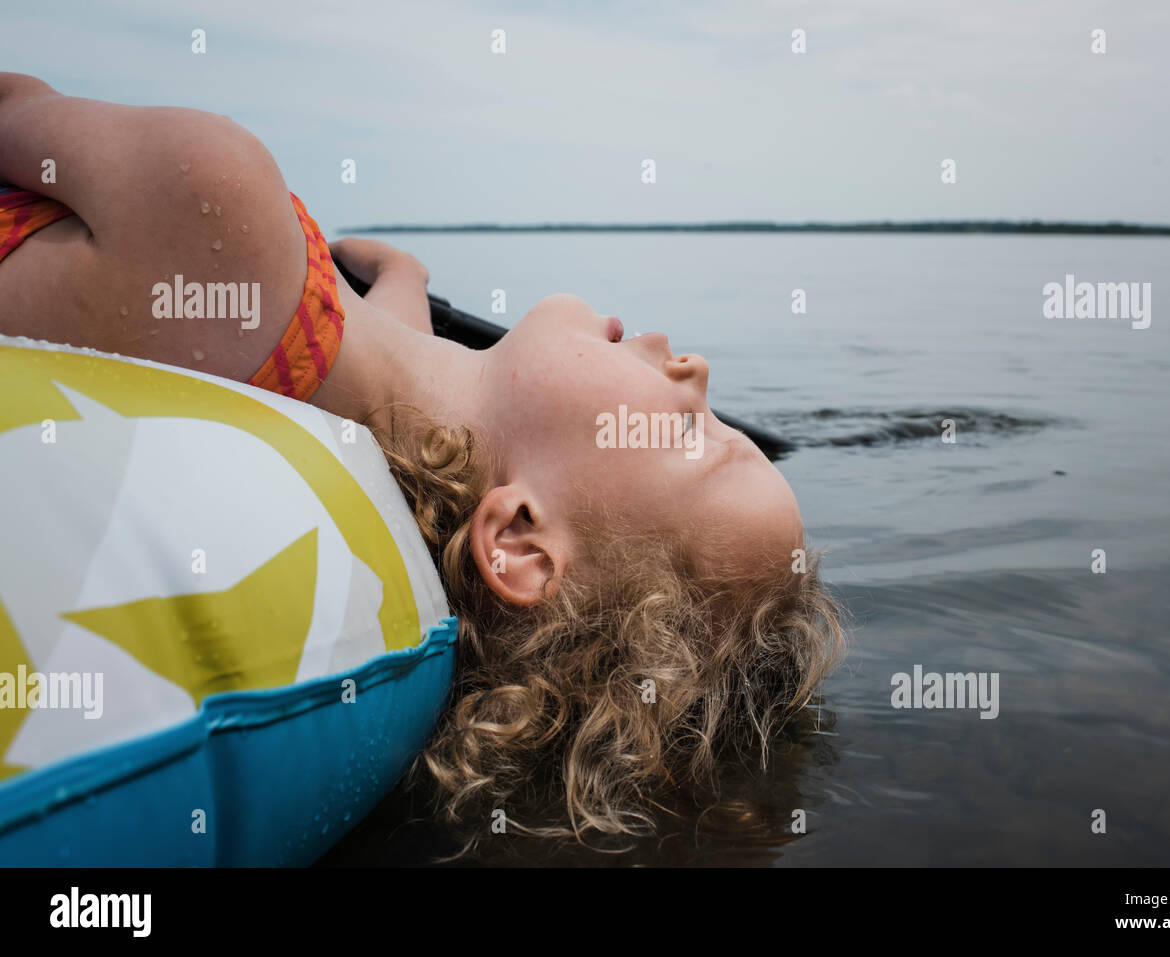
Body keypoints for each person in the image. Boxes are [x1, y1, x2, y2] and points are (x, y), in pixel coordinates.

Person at [0, 73, 843, 844]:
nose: (699, 373)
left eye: (693, 436)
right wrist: (402, 271)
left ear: (516, 537)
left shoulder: (219, 207)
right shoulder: (341, 371)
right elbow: (397, 342)